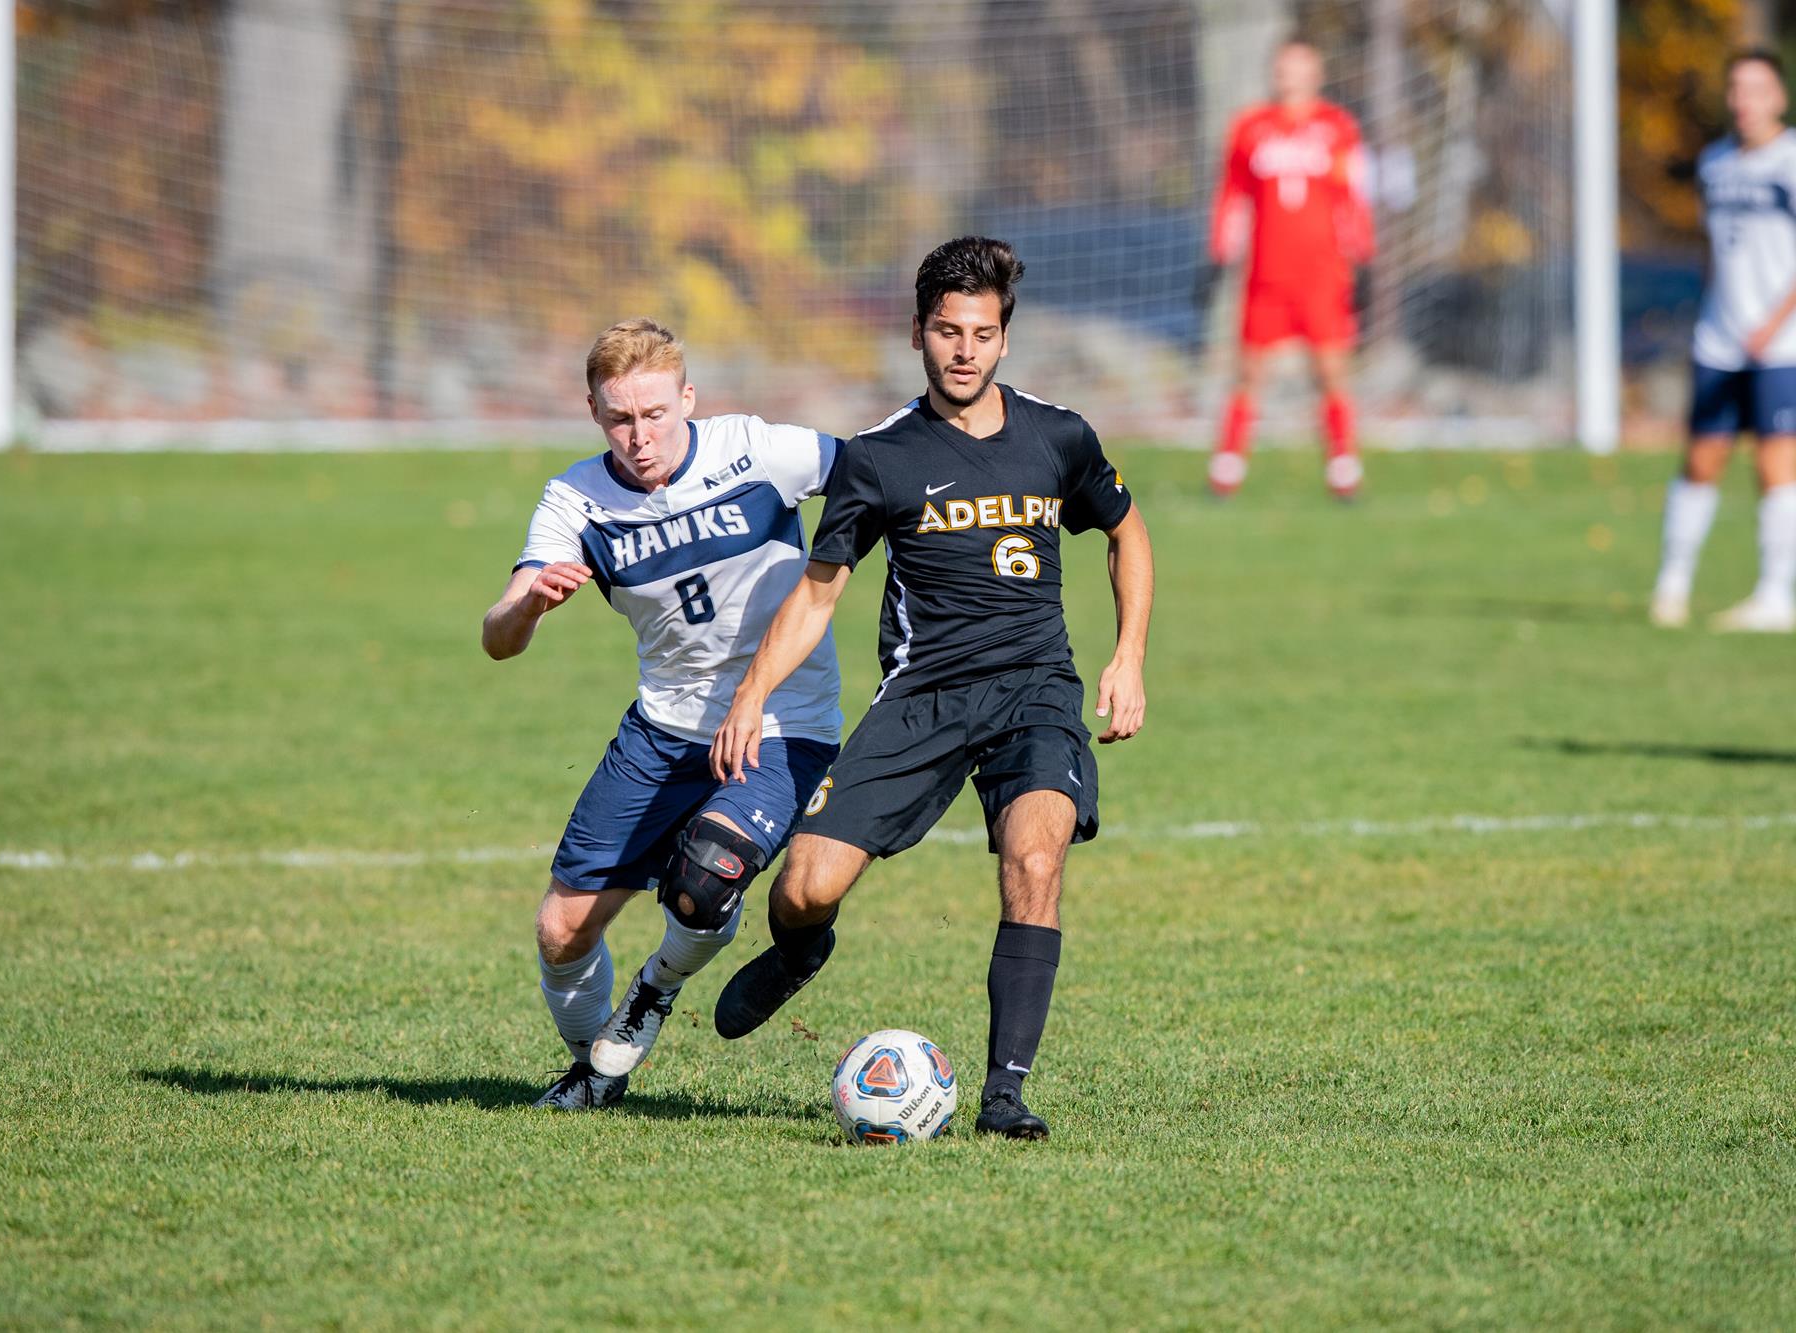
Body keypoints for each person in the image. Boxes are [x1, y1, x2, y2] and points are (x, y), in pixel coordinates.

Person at [708, 237, 1154, 1141]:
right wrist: (751, 693)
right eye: (948, 331)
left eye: (982, 334)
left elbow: (1127, 530)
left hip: (1034, 688)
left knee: (1036, 858)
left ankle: (1005, 1095)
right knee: (803, 887)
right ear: (918, 332)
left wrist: (1129, 655)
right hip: (924, 696)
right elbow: (818, 593)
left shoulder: (1059, 436)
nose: (964, 351)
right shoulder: (880, 457)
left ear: (1004, 338)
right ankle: (801, 951)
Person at [482, 318, 842, 1109]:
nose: (639, 437)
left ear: (688, 399)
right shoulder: (577, 498)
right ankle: (595, 1074)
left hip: (783, 723)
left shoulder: (758, 450)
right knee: (560, 931)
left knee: (703, 880)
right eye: (619, 418)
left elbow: (879, 477)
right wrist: (529, 605)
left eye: (654, 414)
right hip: (662, 730)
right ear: (593, 412)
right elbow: (497, 636)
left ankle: (651, 993)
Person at [1651, 49, 1796, 633]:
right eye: (1736, 88)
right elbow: (1714, 249)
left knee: (1775, 465)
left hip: (1781, 347)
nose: (1743, 100)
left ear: (1779, 97)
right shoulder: (1714, 162)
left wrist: (1773, 322)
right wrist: (1712, 312)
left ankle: (1774, 595)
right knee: (1700, 459)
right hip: (1719, 339)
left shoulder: (1791, 160)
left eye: (1756, 88)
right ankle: (1672, 585)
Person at [1205, 39, 1373, 500]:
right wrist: (1218, 256)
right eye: (1283, 68)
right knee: (1249, 373)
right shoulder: (1250, 127)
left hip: (1323, 275)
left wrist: (1364, 257)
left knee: (1331, 371)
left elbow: (1352, 197)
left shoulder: (1338, 127)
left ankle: (1343, 469)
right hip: (1266, 275)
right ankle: (1226, 470)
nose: (1290, 77)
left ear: (1317, 74)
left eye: (1300, 68)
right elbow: (1232, 196)